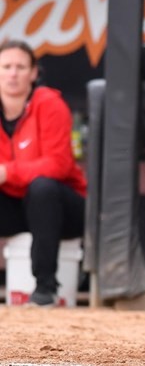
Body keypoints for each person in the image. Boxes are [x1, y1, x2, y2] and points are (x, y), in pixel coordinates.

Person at [0, 39, 87, 307]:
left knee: (42, 188)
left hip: (64, 209)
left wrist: (7, 172)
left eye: (20, 67)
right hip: (15, 207)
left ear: (34, 73)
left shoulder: (49, 104)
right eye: (6, 66)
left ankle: (45, 290)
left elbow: (58, 165)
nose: (13, 73)